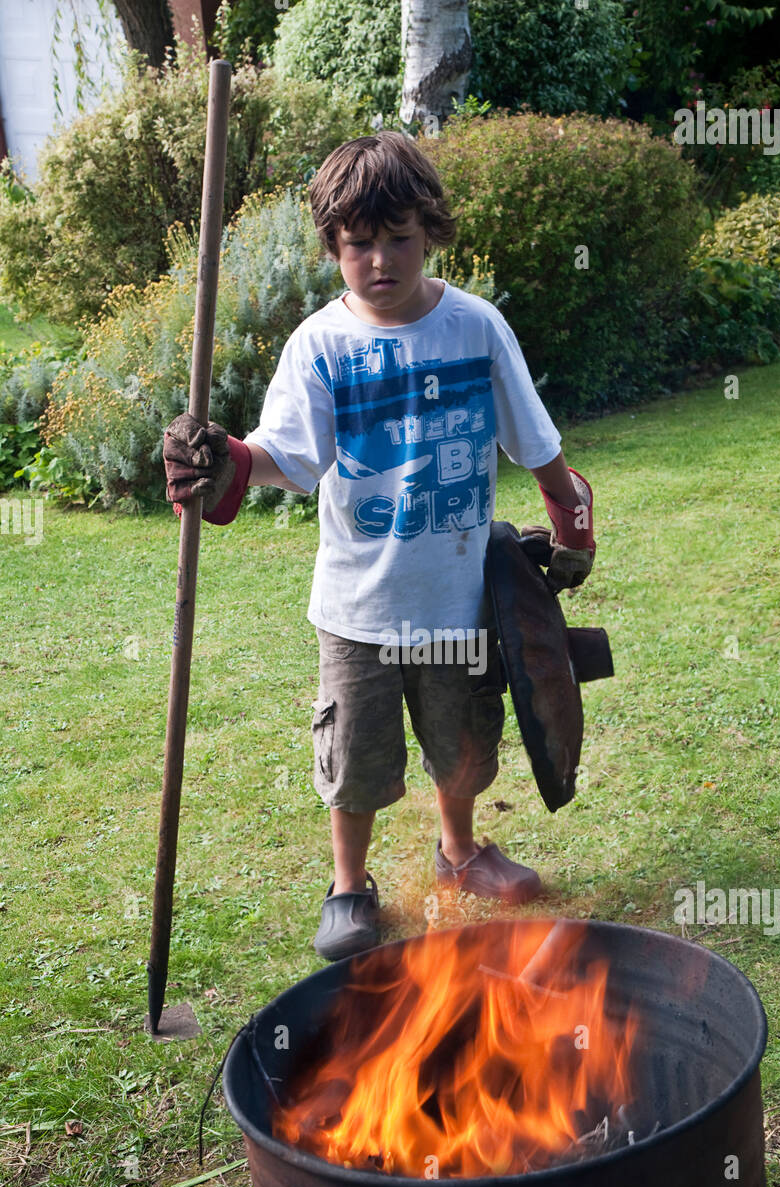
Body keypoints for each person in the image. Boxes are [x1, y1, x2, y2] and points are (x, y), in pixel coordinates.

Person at [163, 132, 595, 963]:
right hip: (358, 606)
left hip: (458, 593)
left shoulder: (476, 327)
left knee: (463, 741)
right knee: (355, 755)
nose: (381, 259)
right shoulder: (320, 346)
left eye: (399, 237)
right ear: (334, 247)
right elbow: (285, 455)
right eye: (359, 242)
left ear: (429, 231)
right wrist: (224, 461)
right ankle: (349, 885)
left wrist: (571, 518)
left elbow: (535, 440)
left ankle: (460, 852)